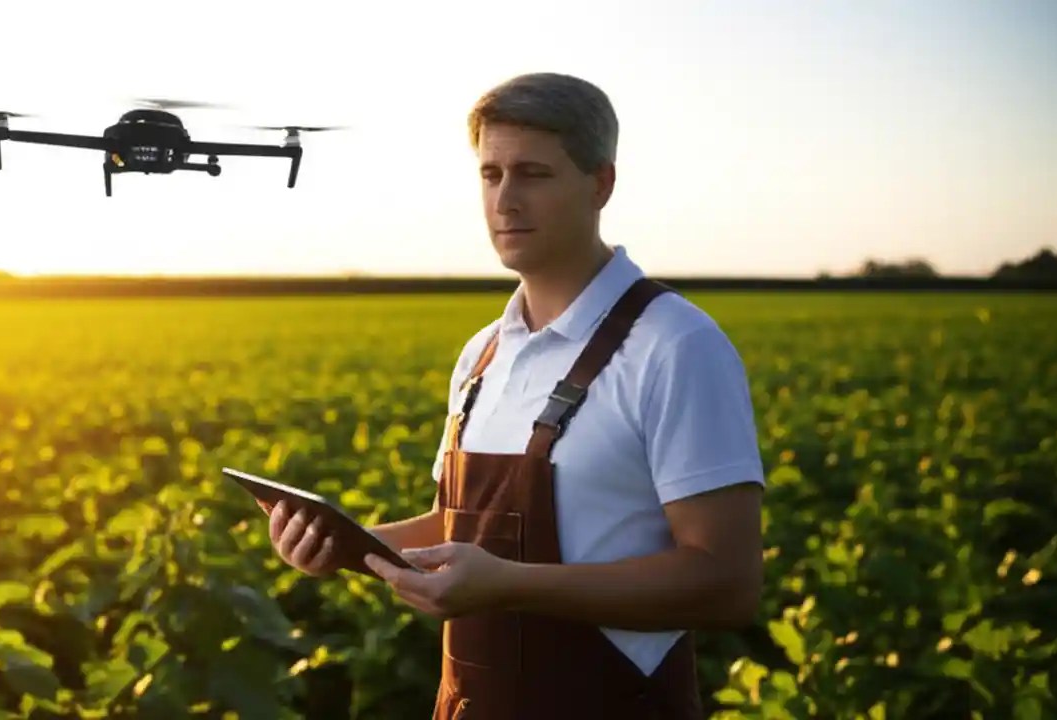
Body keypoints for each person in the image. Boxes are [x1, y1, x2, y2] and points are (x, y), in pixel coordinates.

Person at [261, 72, 766, 719]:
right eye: (491, 174)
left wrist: (511, 585)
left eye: (533, 174)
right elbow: (456, 526)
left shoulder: (676, 346)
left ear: (601, 184)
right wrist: (346, 545)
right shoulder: (482, 356)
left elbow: (726, 584)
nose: (505, 200)